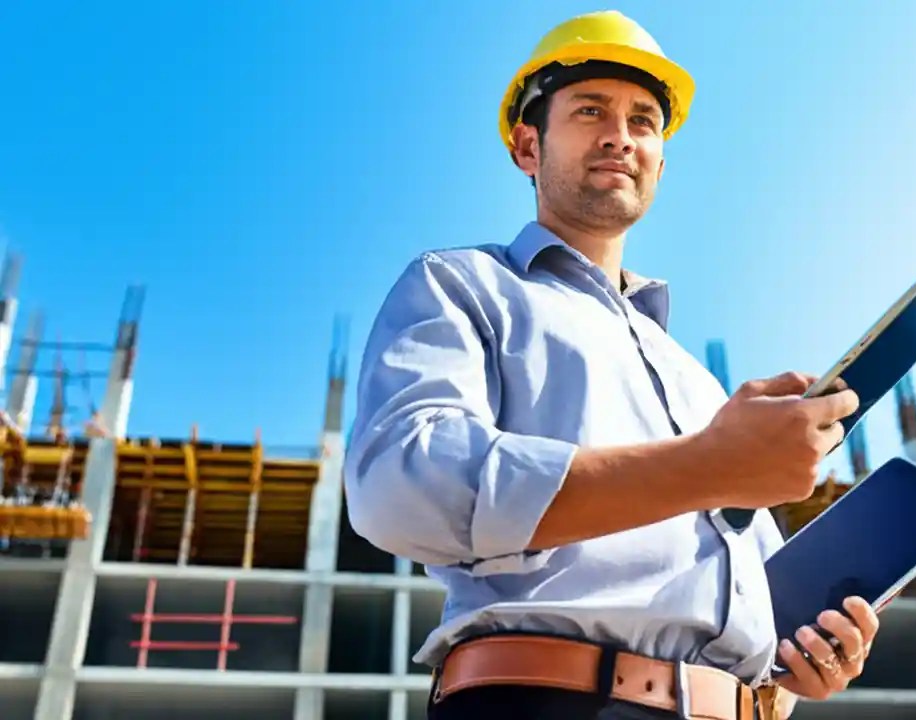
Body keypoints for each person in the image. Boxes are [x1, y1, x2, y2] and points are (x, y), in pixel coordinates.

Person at [343, 10, 879, 720]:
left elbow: (740, 596)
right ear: (526, 146)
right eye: (590, 110)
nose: (620, 136)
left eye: (644, 121)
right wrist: (707, 466)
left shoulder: (693, 377)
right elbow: (399, 485)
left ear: (661, 159)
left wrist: (801, 653)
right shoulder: (462, 286)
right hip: (549, 703)